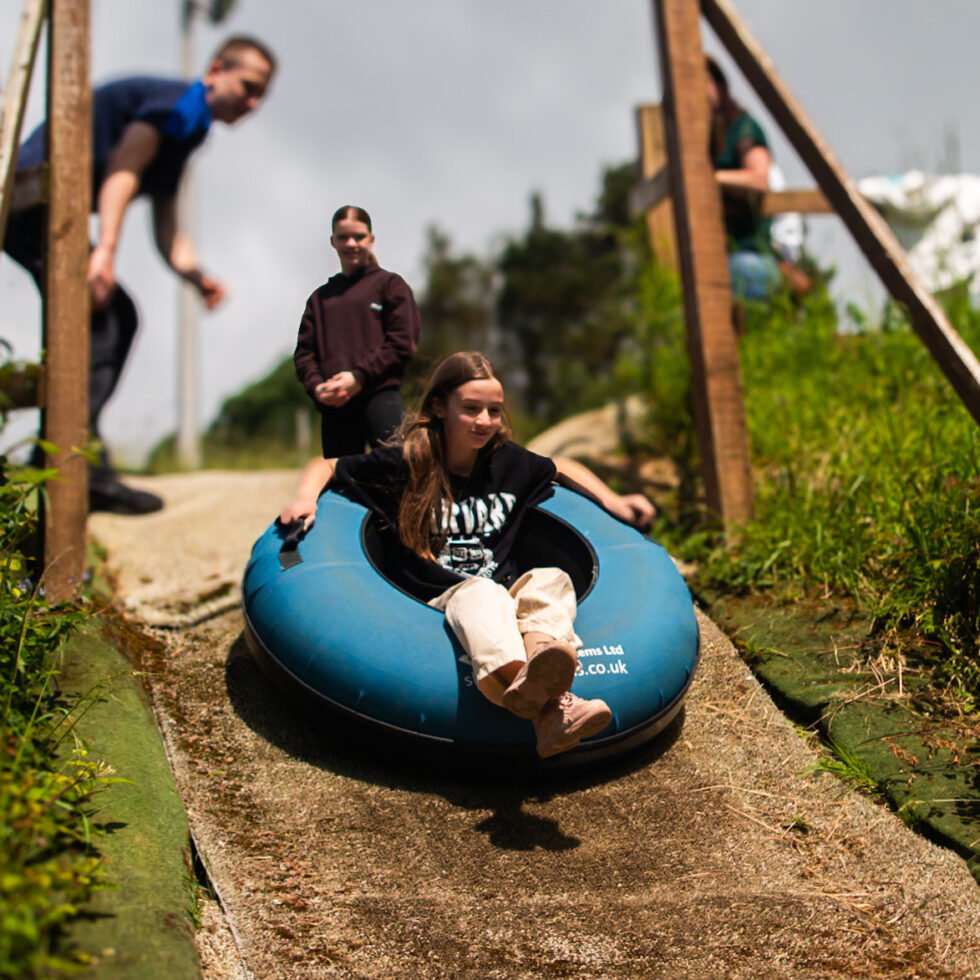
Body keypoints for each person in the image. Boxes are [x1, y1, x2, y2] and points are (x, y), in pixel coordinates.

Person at [280, 351, 655, 759]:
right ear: (440, 407)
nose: (484, 421)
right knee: (482, 592)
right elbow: (328, 464)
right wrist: (305, 498)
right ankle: (553, 705)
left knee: (552, 579)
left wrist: (613, 500)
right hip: (443, 595)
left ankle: (544, 673)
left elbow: (560, 466)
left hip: (503, 591)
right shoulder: (409, 463)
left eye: (494, 411)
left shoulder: (507, 463)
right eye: (471, 409)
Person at [4, 35, 276, 514]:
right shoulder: (179, 106)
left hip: (42, 206)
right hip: (35, 199)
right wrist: (104, 251)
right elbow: (122, 171)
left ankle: (70, 454)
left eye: (261, 96)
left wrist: (196, 277)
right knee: (109, 318)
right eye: (248, 86)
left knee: (113, 320)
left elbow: (167, 223)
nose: (252, 103)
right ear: (216, 70)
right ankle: (74, 462)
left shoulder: (189, 128)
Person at [294, 205, 421, 459]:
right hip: (336, 407)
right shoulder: (320, 299)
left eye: (359, 237)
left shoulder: (390, 286)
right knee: (342, 485)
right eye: (343, 237)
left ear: (371, 240)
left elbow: (402, 343)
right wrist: (318, 387)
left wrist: (358, 378)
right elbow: (304, 354)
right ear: (333, 241)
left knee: (394, 477)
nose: (351, 244)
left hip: (381, 398)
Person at [706, 56, 782, 301]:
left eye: (703, 82)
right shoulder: (700, 145)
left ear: (720, 87)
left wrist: (708, 178)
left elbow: (760, 180)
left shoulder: (742, 128)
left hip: (750, 259)